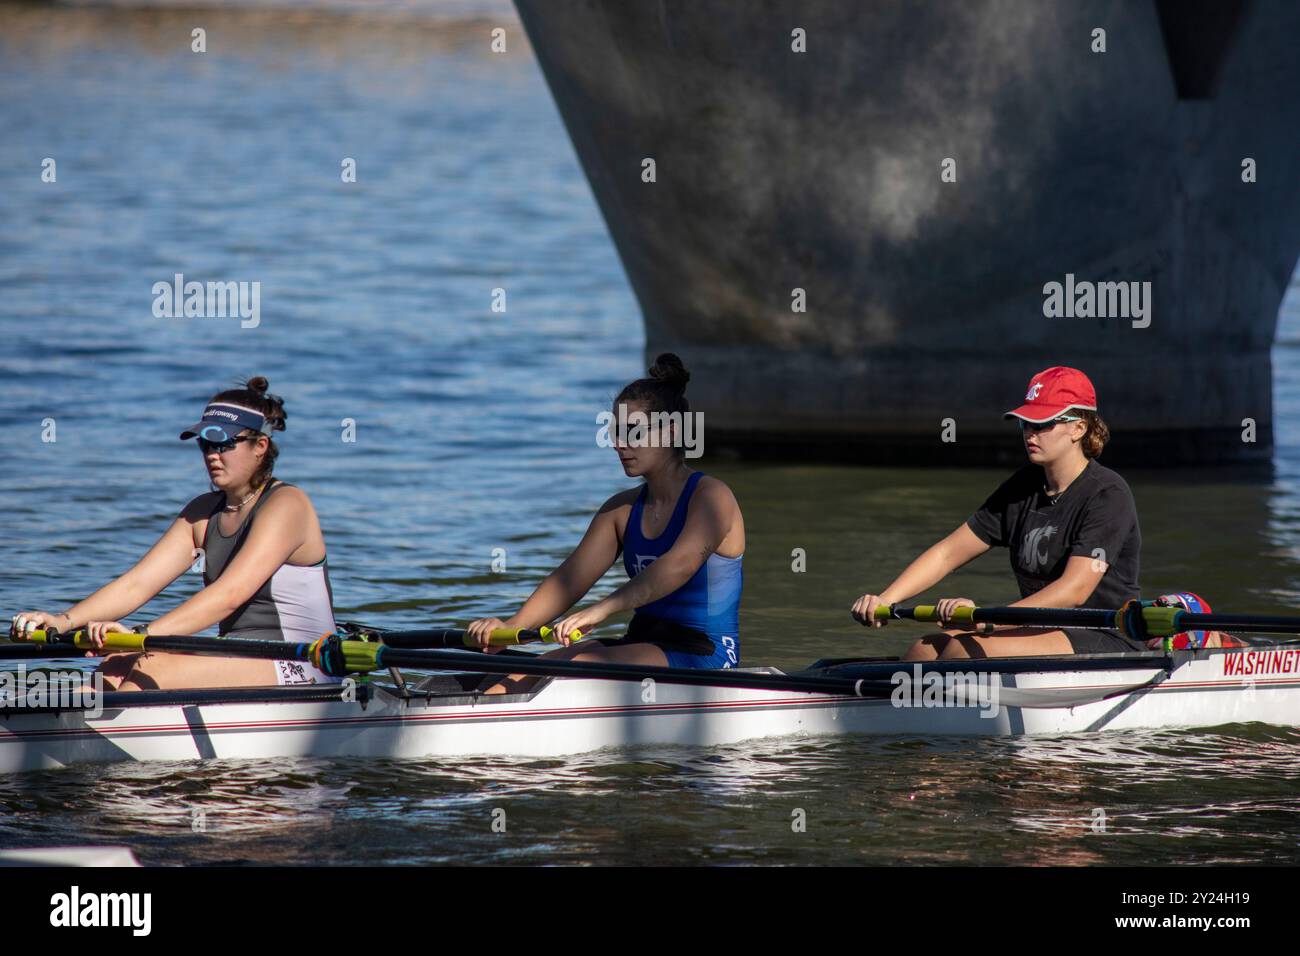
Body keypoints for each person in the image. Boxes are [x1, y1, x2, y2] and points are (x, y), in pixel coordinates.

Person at [9, 377, 338, 689]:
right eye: (206, 444)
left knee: (153, 665)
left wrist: (142, 634)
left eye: (224, 443)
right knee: (116, 666)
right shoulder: (202, 512)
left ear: (260, 446)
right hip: (243, 655)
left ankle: (95, 740)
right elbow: (137, 584)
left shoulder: (287, 504)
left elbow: (230, 594)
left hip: (303, 663)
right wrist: (61, 621)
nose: (212, 454)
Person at [467, 354, 744, 691]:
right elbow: (568, 581)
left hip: (705, 655)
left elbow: (679, 566)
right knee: (522, 672)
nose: (618, 443)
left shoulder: (712, 497)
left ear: (671, 431)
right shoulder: (620, 510)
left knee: (576, 668)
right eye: (615, 431)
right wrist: (510, 628)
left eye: (633, 432)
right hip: (641, 643)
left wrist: (600, 611)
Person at [851, 366, 1143, 659]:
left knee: (962, 650)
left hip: (1103, 633)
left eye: (1043, 424)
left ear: (1078, 428)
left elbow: (1074, 590)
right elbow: (948, 554)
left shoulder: (1107, 494)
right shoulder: (1024, 485)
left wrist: (988, 618)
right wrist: (886, 598)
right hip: (1041, 626)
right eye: (1025, 424)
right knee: (924, 650)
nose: (1030, 432)